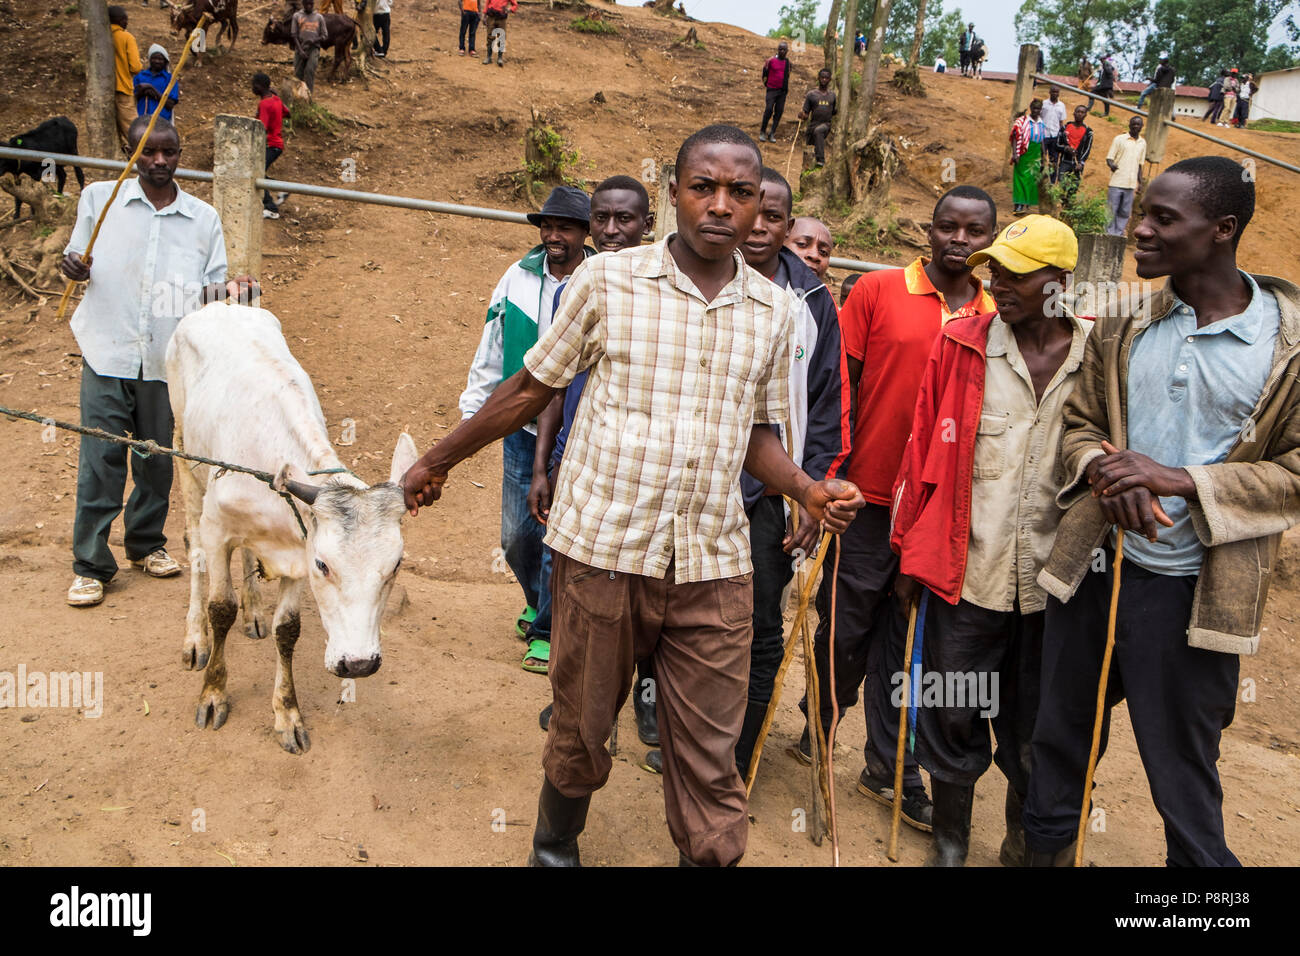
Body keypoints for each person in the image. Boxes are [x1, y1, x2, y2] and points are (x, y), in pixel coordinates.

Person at [402, 125, 866, 867]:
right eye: (703, 188)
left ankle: (706, 855)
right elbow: (531, 386)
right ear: (672, 194)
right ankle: (555, 849)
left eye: (740, 193)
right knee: (584, 730)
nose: (721, 206)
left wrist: (809, 490)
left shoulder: (780, 311)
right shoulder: (608, 281)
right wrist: (439, 459)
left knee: (709, 755)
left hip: (714, 564)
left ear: (759, 206)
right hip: (602, 550)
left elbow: (758, 436)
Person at [1022, 156, 1300, 867]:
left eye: (1163, 219)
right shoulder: (1124, 322)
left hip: (1192, 593)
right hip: (1091, 571)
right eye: (1141, 211)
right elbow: (1079, 426)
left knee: (1180, 767)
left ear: (1222, 230)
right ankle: (1046, 854)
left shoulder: (1286, 348)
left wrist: (1181, 480)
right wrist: (1107, 474)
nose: (1138, 229)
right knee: (1058, 739)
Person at [793, 186, 998, 834]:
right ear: (928, 231)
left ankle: (890, 764)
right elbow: (839, 386)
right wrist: (831, 472)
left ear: (990, 238)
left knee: (908, 643)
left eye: (973, 230)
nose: (959, 240)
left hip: (938, 512)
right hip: (867, 497)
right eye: (947, 227)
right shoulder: (878, 292)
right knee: (845, 628)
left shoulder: (998, 312)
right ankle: (820, 725)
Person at [891, 215, 1090, 867]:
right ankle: (950, 841)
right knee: (954, 710)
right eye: (994, 270)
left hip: (1054, 586)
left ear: (1060, 282)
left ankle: (1025, 840)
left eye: (1015, 274)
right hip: (966, 575)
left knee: (1039, 728)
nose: (996, 283)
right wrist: (907, 550)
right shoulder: (962, 342)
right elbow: (921, 446)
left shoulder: (1099, 355)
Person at [62, 117, 257, 608]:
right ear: (131, 152)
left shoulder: (202, 218)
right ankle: (90, 564)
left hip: (168, 363)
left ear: (180, 154)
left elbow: (211, 292)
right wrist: (72, 266)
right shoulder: (100, 202)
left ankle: (145, 544)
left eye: (169, 152)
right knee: (100, 460)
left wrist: (236, 292)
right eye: (148, 152)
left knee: (157, 461)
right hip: (106, 351)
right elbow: (75, 259)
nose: (159, 161)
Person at [734, 167, 850, 780]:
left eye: (775, 216)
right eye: (754, 210)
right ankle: (668, 726)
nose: (760, 226)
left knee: (761, 629)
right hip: (689, 484)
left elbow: (828, 407)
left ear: (786, 223)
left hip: (770, 496)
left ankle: (737, 757)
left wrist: (809, 493)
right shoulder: (694, 282)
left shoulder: (812, 303)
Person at [530, 175, 655, 713]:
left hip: (643, 462)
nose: (610, 230)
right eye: (601, 219)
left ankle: (646, 700)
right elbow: (550, 386)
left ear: (647, 225)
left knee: (647, 586)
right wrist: (545, 464)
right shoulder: (572, 290)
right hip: (578, 456)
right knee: (574, 579)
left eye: (623, 220)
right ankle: (573, 701)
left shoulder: (663, 290)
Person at [460, 186, 593, 662]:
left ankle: (547, 627)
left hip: (577, 431)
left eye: (565, 227)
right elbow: (491, 345)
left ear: (585, 233)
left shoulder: (599, 278)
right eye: (548, 226)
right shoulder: (516, 277)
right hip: (522, 423)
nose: (554, 235)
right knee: (517, 535)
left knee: (559, 534)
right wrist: (475, 410)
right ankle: (539, 600)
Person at [253, 72, 289, 219]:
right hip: (277, 145)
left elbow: (262, 127)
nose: (252, 88)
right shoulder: (275, 100)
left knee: (258, 172)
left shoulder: (264, 103)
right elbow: (288, 113)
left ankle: (271, 208)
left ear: (260, 86)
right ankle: (283, 188)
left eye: (254, 85)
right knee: (260, 171)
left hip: (270, 144)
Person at [1105, 115, 1146, 236]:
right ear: (1129, 125)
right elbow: (1109, 158)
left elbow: (1140, 165)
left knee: (1124, 211)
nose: (1135, 126)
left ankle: (1118, 233)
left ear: (1141, 127)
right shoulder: (1119, 139)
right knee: (1111, 210)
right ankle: (1108, 233)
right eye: (1133, 124)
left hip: (1131, 183)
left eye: (1138, 124)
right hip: (1117, 181)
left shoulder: (1142, 143)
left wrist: (1140, 183)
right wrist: (1112, 165)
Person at [109, 7, 142, 149]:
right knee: (134, 130)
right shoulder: (126, 37)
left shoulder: (101, 35)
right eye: (125, 20)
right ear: (120, 20)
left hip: (106, 90)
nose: (126, 22)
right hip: (123, 88)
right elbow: (135, 67)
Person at [1010, 99, 1046, 215]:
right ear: (1031, 108)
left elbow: (1042, 141)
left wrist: (1043, 157)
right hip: (1024, 152)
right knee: (1020, 178)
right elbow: (1015, 137)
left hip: (1035, 154)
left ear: (1041, 110)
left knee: (1031, 178)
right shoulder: (1022, 121)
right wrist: (1015, 153)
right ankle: (1018, 205)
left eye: (1038, 109)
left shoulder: (1041, 123)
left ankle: (1026, 203)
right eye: (1034, 108)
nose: (1036, 111)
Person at [798, 69, 837, 168]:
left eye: (826, 78)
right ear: (818, 78)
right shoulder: (811, 95)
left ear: (830, 80)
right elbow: (806, 114)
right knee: (810, 149)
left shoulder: (832, 95)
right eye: (822, 77)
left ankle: (821, 160)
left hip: (826, 125)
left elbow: (834, 112)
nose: (824, 80)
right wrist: (802, 115)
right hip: (813, 125)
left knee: (818, 131)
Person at [1055, 105, 1093, 204]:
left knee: (1073, 188)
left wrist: (1081, 163)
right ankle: (1061, 206)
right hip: (1064, 162)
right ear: (1074, 113)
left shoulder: (1088, 132)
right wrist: (1065, 148)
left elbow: (1087, 149)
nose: (1080, 114)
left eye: (1082, 112)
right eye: (1078, 112)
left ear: (1085, 115)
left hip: (1077, 165)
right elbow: (1057, 144)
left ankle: (1067, 209)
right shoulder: (1065, 128)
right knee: (1062, 185)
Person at [133, 44, 178, 124]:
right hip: (141, 121)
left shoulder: (170, 79)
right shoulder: (140, 76)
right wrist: (142, 92)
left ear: (165, 61)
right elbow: (132, 100)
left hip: (162, 123)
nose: (157, 61)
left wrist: (152, 89)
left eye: (160, 59)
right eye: (154, 58)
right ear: (150, 59)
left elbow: (170, 105)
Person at [291, 0, 328, 94]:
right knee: (298, 72)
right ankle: (297, 96)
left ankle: (309, 95)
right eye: (307, 4)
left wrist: (314, 40)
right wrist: (300, 50)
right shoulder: (297, 16)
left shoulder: (319, 17)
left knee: (309, 70)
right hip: (301, 47)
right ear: (303, 4)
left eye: (311, 4)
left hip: (314, 48)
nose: (309, 6)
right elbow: (294, 35)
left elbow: (325, 35)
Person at [759, 41, 791, 143]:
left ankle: (772, 133)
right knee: (768, 109)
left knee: (779, 112)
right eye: (780, 49)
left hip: (782, 92)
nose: (782, 51)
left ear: (787, 51)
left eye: (784, 49)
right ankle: (762, 131)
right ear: (777, 50)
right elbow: (764, 74)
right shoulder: (770, 61)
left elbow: (788, 75)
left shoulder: (788, 63)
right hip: (771, 90)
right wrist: (767, 85)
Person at [785, 216, 834, 281]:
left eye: (823, 252)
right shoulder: (767, 288)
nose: (815, 256)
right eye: (802, 244)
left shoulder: (824, 291)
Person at [1041, 86, 1068, 183]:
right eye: (1053, 92)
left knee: (1054, 160)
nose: (1055, 94)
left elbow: (1061, 122)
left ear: (1059, 93)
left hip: (1055, 136)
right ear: (1049, 92)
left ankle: (1051, 182)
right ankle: (1039, 181)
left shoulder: (1061, 105)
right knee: (1042, 158)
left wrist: (1062, 135)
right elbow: (1039, 118)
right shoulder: (1044, 104)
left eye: (1057, 92)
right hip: (1044, 135)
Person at [482, 0, 517, 67]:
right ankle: (488, 57)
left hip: (501, 18)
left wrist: (509, 10)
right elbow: (487, 3)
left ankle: (500, 58)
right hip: (491, 16)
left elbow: (515, 4)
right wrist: (484, 15)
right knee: (490, 36)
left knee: (501, 37)